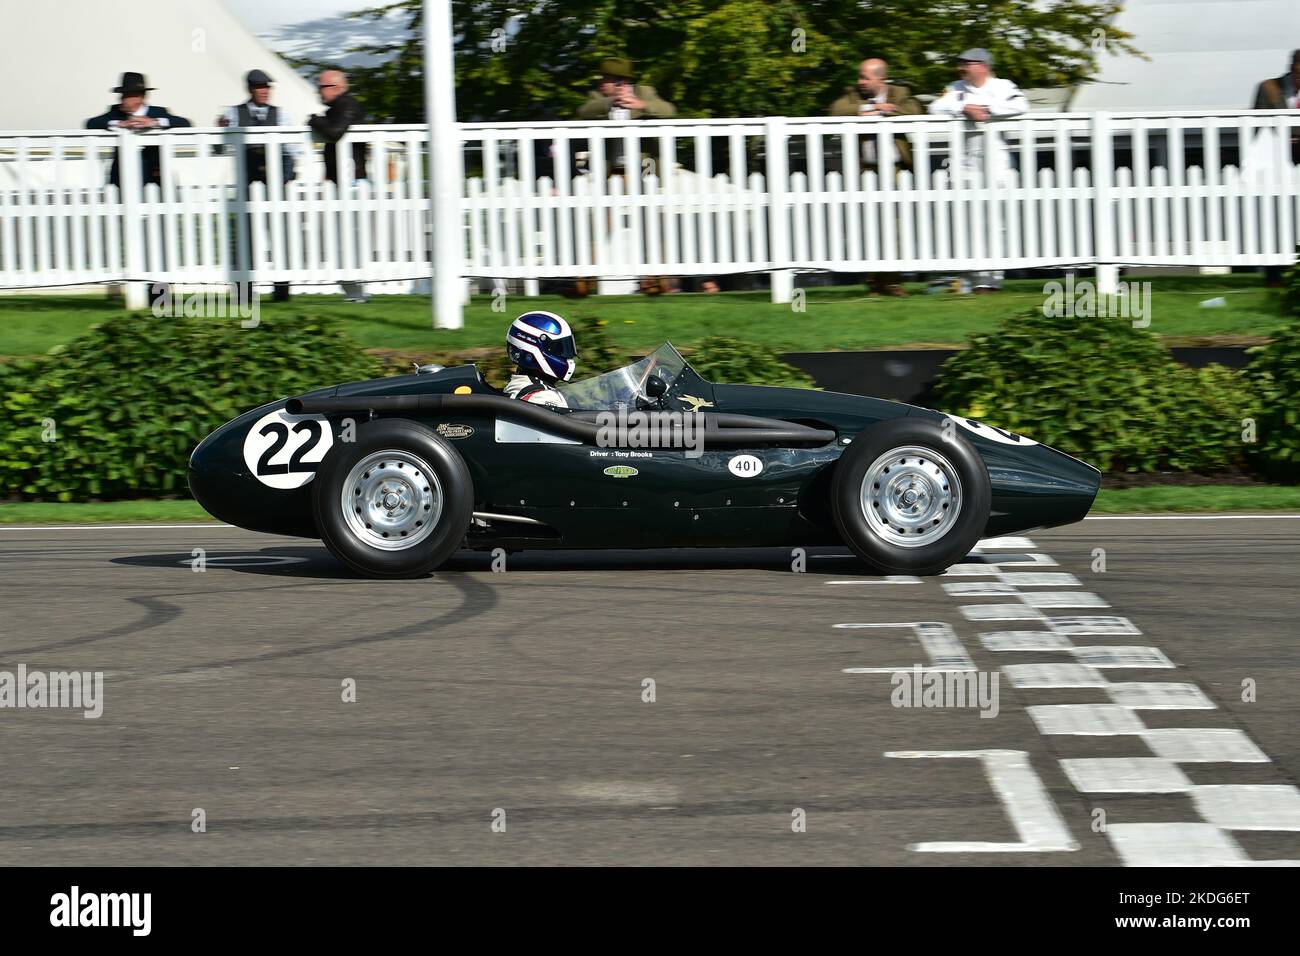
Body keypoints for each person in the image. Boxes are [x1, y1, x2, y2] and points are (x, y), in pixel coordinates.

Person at [927, 48, 1027, 293]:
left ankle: (992, 280)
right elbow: (934, 108)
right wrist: (963, 109)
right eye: (960, 64)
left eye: (966, 64)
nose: (961, 68)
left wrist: (985, 109)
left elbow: (1021, 106)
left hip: (996, 159)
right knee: (966, 219)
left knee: (997, 220)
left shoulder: (1004, 86)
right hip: (965, 161)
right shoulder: (954, 88)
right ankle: (970, 279)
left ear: (982, 65)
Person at [830, 58, 923, 296]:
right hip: (866, 169)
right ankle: (875, 280)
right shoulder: (853, 96)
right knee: (869, 225)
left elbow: (916, 111)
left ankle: (892, 281)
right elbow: (836, 110)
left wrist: (888, 109)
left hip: (895, 169)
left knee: (897, 227)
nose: (860, 82)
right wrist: (866, 110)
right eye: (860, 76)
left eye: (865, 77)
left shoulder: (900, 93)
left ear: (881, 79)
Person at [219, 69, 296, 302]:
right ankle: (244, 291)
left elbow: (291, 150)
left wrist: (286, 175)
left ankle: (282, 291)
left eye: (267, 87)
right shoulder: (233, 113)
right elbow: (220, 149)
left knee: (280, 235)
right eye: (260, 87)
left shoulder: (280, 115)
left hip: (274, 183)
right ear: (250, 89)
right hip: (246, 182)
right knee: (244, 235)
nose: (265, 91)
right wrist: (221, 131)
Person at [308, 69, 369, 302]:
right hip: (343, 182)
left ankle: (356, 292)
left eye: (322, 87)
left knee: (349, 238)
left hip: (351, 183)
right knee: (345, 237)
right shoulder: (340, 107)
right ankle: (354, 291)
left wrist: (314, 120)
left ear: (338, 87)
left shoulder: (346, 105)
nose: (319, 91)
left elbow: (334, 132)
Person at [84, 72, 191, 188]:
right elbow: (91, 123)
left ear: (140, 96)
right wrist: (119, 123)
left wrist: (154, 122)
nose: (121, 98)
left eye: (126, 95)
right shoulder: (115, 112)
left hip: (154, 176)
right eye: (122, 95)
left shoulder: (158, 112)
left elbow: (185, 123)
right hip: (122, 177)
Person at [1251, 50, 1300, 285]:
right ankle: (1274, 274)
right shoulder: (1269, 88)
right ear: (1293, 67)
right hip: (1276, 164)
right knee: (1275, 219)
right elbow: (1258, 127)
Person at [504, 311, 577, 407]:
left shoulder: (519, 385)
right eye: (559, 349)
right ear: (531, 352)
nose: (567, 356)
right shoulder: (542, 397)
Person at [575, 57, 676, 123]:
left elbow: (669, 110)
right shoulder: (596, 95)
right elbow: (583, 111)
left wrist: (642, 105)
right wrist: (611, 101)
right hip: (609, 153)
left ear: (620, 82)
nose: (601, 82)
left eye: (605, 79)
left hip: (643, 152)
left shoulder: (644, 92)